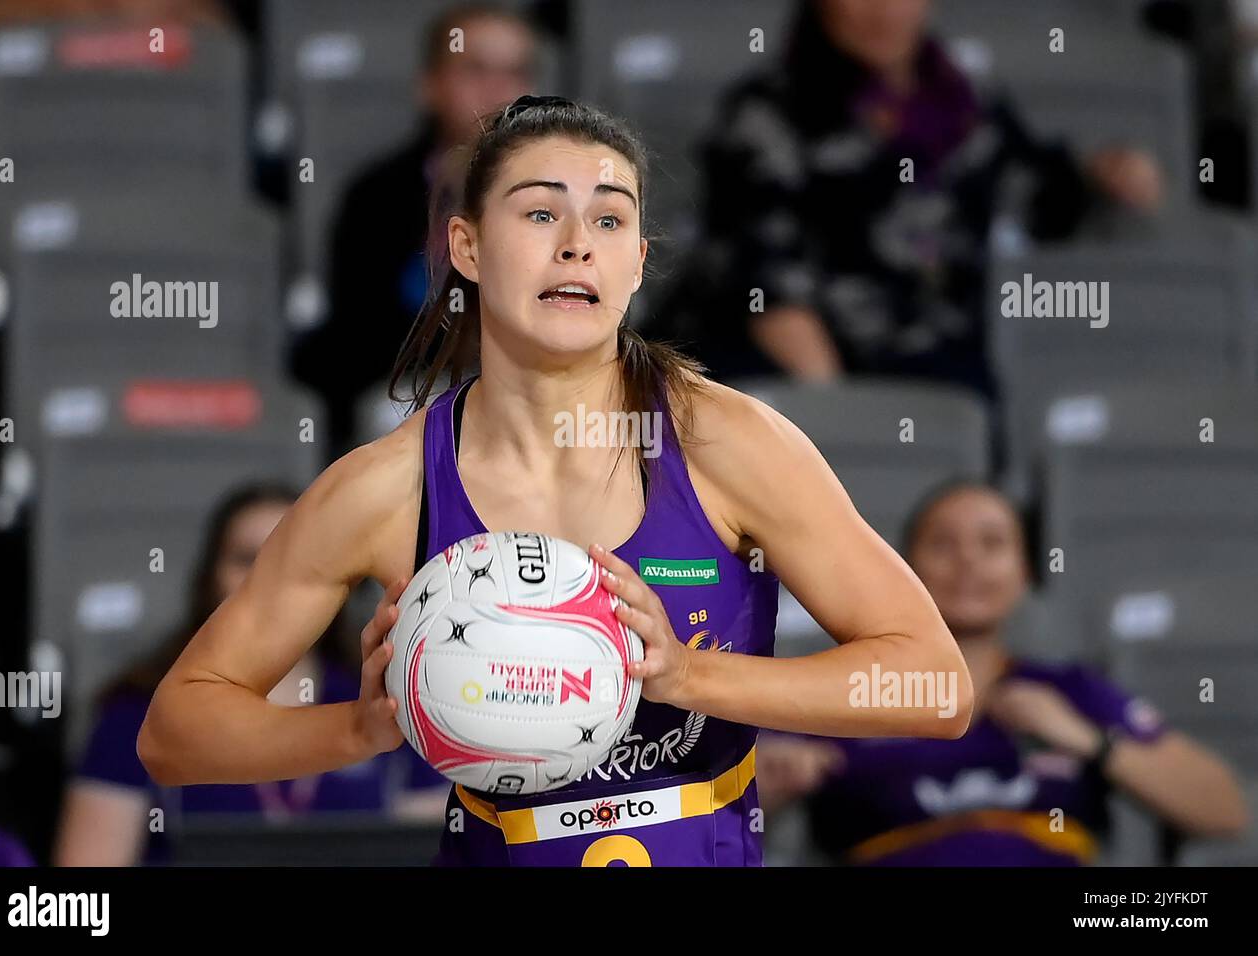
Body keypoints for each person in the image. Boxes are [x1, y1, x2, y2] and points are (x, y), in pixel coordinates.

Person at [138, 94, 976, 868]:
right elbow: (176, 731)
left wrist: (689, 676)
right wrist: (359, 729)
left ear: (638, 262)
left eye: (610, 220)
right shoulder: (386, 487)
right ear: (465, 246)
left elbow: (935, 686)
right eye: (541, 211)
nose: (577, 242)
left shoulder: (727, 442)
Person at [662, 0, 1163, 400]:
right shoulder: (763, 114)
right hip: (799, 365)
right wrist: (837, 413)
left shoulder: (969, 104)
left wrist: (1105, 172)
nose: (884, 10)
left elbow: (1036, 193)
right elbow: (761, 278)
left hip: (935, 362)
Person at [758, 480, 1249, 865]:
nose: (968, 560)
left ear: (1025, 574)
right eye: (943, 544)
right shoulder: (845, 697)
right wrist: (769, 789)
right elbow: (711, 830)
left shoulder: (1071, 691)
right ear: (904, 571)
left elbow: (1225, 811)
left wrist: (1088, 741)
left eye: (992, 544)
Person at [55, 483, 445, 866]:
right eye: (246, 559)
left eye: (291, 559)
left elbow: (429, 851)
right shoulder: (138, 712)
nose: (268, 581)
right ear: (209, 578)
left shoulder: (389, 696)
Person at [290, 2, 538, 459]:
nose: (498, 90)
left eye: (514, 72)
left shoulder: (562, 192)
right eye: (476, 70)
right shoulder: (377, 196)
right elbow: (359, 330)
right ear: (430, 86)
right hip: (409, 391)